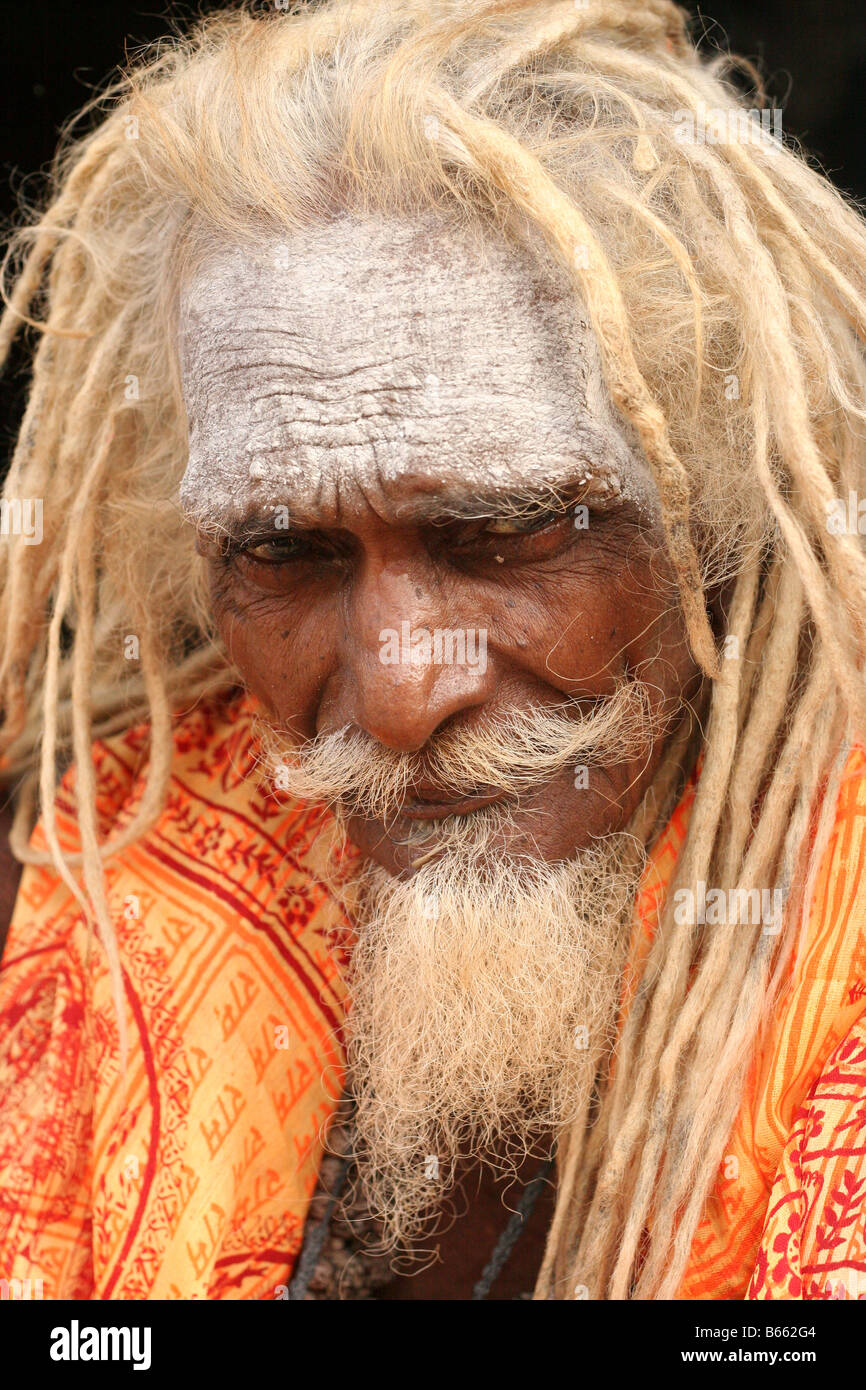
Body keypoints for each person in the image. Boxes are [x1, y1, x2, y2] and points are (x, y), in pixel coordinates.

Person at [1, 0, 866, 1301]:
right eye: (287, 552)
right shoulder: (126, 858)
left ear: (713, 510)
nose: (398, 689)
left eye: (508, 531)